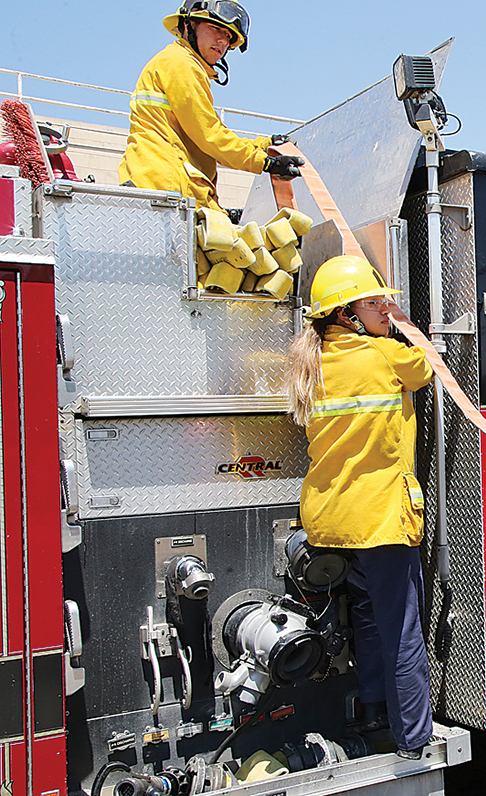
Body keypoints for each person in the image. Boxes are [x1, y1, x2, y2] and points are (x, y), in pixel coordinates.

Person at [286, 255, 434, 758]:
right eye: (375, 303)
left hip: (329, 520)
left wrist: (382, 318)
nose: (385, 310)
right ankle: (414, 739)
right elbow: (426, 366)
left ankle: (372, 708)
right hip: (379, 520)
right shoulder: (383, 357)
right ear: (347, 313)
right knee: (403, 632)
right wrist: (398, 329)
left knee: (369, 617)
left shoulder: (313, 362)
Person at [119, 2, 303, 214]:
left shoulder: (177, 63)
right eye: (216, 29)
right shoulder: (181, 64)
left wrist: (262, 145)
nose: (223, 41)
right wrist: (265, 163)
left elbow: (206, 134)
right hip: (166, 191)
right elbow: (210, 135)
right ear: (189, 25)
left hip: (161, 187)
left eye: (229, 37)